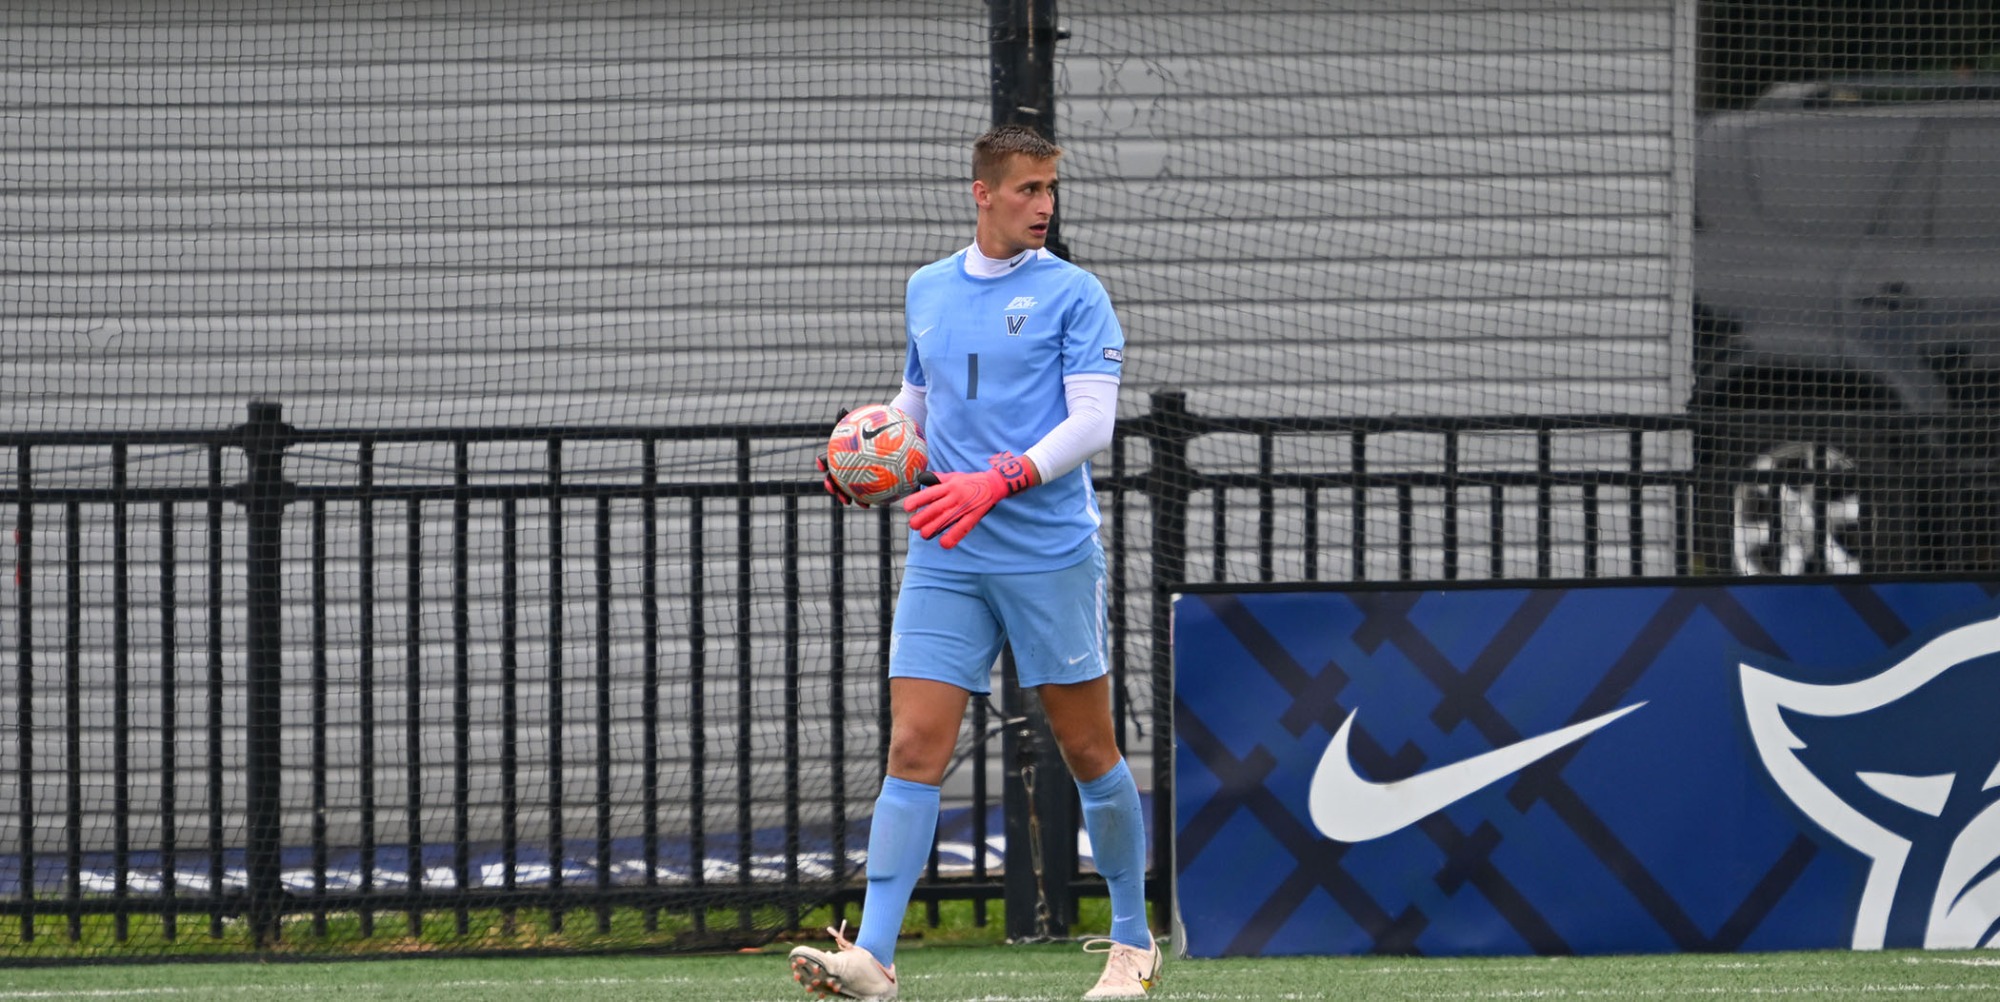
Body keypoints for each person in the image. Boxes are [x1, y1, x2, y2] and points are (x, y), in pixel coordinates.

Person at [791, 124, 1159, 1000]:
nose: (1045, 205)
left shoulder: (1077, 293)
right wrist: (869, 455)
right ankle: (874, 956)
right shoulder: (926, 288)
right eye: (1028, 190)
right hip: (947, 551)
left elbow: (1090, 426)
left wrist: (998, 479)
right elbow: (914, 408)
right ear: (982, 193)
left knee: (1086, 747)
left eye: (1050, 189)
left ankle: (1133, 943)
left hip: (1046, 552)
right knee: (914, 747)